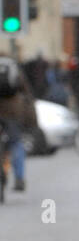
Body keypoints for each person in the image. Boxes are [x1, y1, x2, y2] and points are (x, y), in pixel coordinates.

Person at [0, 55, 36, 193]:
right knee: (16, 144)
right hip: (12, 112)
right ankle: (19, 178)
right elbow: (26, 92)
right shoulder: (14, 69)